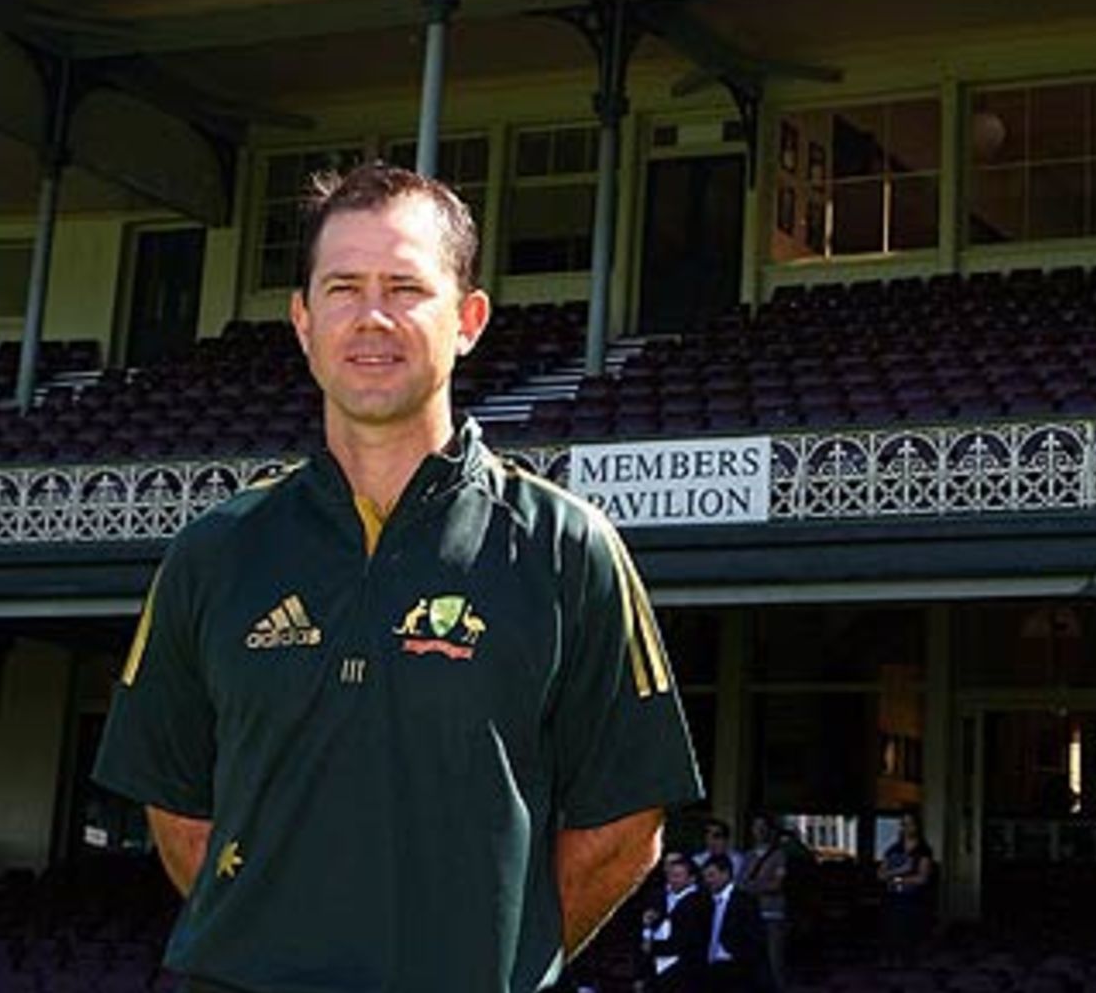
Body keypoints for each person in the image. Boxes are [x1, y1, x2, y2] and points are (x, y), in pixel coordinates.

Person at [93, 162, 701, 993]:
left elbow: (626, 824)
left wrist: (489, 957)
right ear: (302, 320)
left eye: (406, 287)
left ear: (469, 319)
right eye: (342, 287)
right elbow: (178, 808)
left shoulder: (568, 547)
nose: (371, 315)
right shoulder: (215, 550)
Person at [642, 851, 710, 991]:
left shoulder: (697, 903)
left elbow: (684, 941)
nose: (672, 880)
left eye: (678, 876)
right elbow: (648, 924)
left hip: (685, 973)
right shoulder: (658, 896)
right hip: (656, 970)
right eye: (670, 875)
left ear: (691, 879)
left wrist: (651, 947)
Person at [701, 853, 768, 991]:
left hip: (735, 966)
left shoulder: (744, 902)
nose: (708, 881)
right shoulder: (704, 900)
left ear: (725, 874)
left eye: (712, 875)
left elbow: (755, 939)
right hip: (709, 966)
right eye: (706, 876)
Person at [877, 810, 935, 965]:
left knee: (909, 927)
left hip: (913, 898)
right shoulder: (893, 849)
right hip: (893, 896)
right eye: (903, 824)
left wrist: (895, 878)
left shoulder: (923, 850)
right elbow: (881, 875)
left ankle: (908, 958)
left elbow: (922, 878)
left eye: (910, 824)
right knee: (891, 927)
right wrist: (901, 872)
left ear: (917, 827)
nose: (907, 827)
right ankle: (892, 957)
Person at [738, 813, 788, 990]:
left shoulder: (779, 855)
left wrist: (753, 886)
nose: (759, 831)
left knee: (774, 958)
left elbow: (777, 884)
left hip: (773, 913)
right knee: (753, 957)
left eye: (762, 827)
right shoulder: (748, 855)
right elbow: (740, 883)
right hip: (752, 912)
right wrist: (762, 885)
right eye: (755, 827)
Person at [694, 816, 744, 881]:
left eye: (717, 836)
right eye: (708, 837)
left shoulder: (737, 860)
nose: (712, 842)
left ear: (726, 839)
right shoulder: (697, 861)